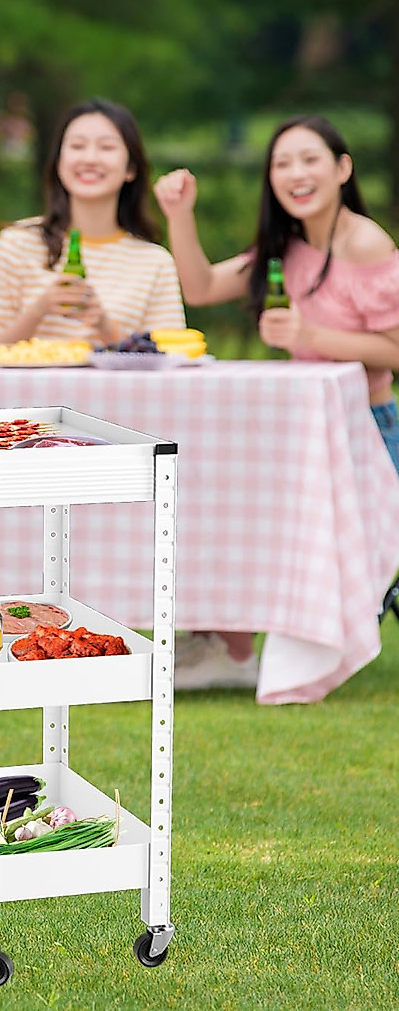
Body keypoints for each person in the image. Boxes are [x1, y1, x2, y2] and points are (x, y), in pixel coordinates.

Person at [155, 114, 399, 688]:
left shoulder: (365, 241)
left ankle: (257, 653)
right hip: (305, 433)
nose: (295, 174)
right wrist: (178, 215)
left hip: (367, 431)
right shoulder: (284, 247)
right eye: (282, 163)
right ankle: (230, 646)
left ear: (343, 168)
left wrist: (310, 338)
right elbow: (202, 288)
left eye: (310, 159)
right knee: (231, 503)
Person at [0, 98, 186, 349]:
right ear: (59, 161)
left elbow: (165, 361)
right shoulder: (16, 243)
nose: (90, 158)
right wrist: (40, 309)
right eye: (77, 146)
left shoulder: (155, 262)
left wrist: (104, 326)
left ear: (131, 168)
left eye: (106, 147)